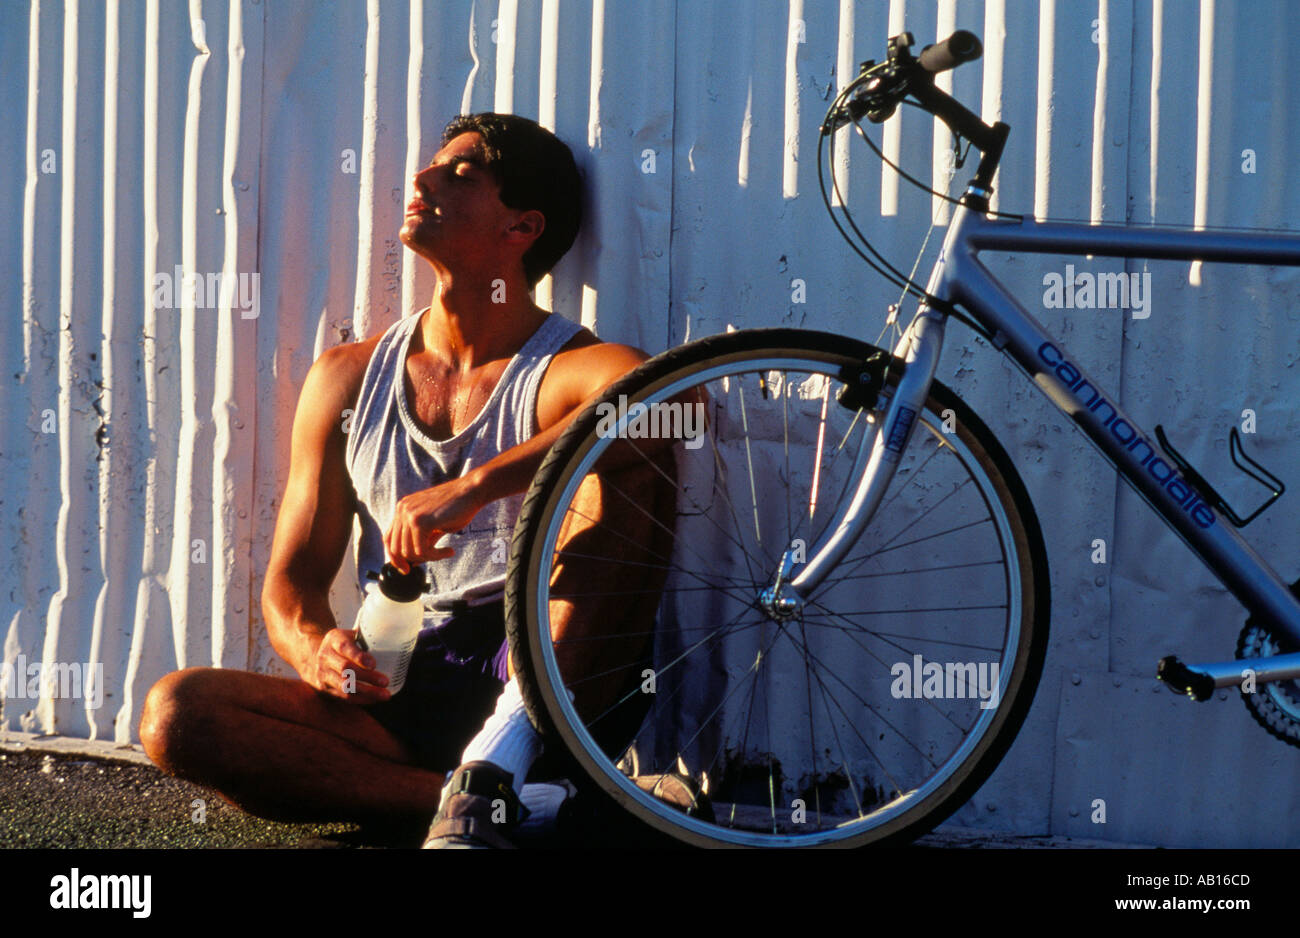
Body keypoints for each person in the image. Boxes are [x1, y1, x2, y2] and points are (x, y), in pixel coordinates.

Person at [138, 113, 681, 848]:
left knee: (622, 452)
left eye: (461, 175)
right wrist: (316, 648)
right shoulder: (348, 377)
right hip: (402, 678)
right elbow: (291, 581)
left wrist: (477, 485)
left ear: (522, 227)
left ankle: (506, 762)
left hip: (548, 673)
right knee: (177, 714)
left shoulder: (559, 369)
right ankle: (499, 805)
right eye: (430, 167)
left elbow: (673, 403)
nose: (421, 181)